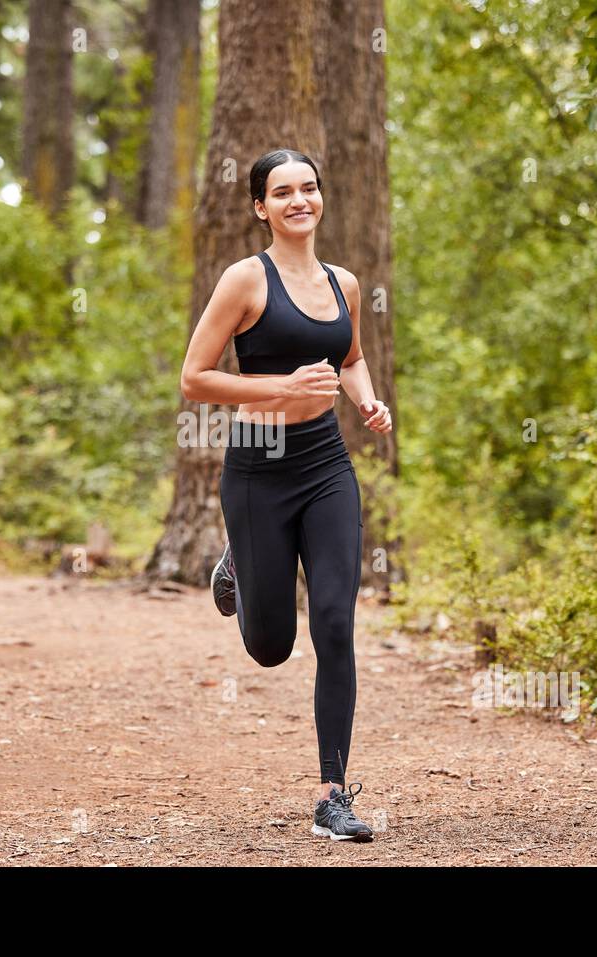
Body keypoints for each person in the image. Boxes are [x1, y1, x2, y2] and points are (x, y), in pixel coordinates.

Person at [179, 148, 393, 841]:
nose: (298, 199)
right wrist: (282, 389)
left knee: (335, 621)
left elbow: (351, 356)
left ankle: (333, 794)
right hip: (258, 467)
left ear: (320, 197)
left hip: (326, 465)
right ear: (260, 207)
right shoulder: (245, 280)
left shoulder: (345, 284)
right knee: (271, 646)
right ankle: (240, 563)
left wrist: (365, 399)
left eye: (308, 188)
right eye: (282, 191)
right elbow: (194, 378)